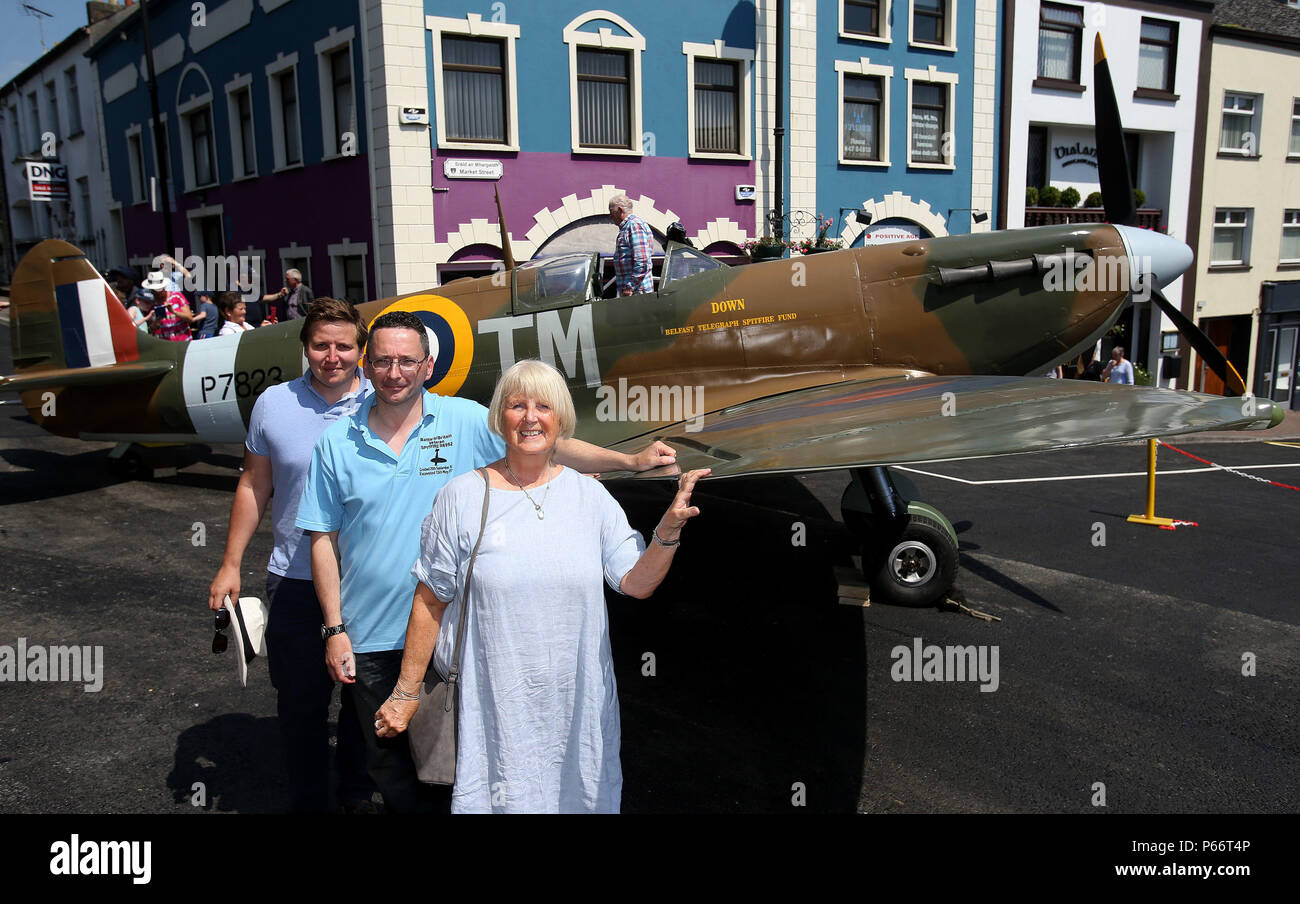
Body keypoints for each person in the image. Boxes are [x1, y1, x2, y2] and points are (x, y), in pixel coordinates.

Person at [295, 311, 677, 813]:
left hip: (450, 634)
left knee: (447, 769)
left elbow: (542, 438)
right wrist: (334, 627)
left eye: (406, 360)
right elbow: (322, 537)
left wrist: (629, 463)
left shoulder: (465, 420)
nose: (394, 371)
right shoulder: (336, 444)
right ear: (367, 366)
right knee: (389, 770)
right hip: (369, 631)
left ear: (427, 365)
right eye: (382, 360)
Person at [372, 360, 708, 813]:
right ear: (499, 417)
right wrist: (406, 691)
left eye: (543, 406)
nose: (530, 417)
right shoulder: (461, 497)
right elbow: (430, 599)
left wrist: (667, 531)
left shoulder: (591, 498)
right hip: (492, 705)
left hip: (577, 707)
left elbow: (636, 584)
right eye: (517, 405)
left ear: (561, 418)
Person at [207, 297, 377, 813]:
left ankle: (355, 794)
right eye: (321, 345)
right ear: (304, 348)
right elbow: (254, 484)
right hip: (295, 582)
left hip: (371, 583)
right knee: (301, 708)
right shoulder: (274, 404)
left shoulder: (389, 401)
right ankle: (310, 802)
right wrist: (231, 562)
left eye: (344, 346)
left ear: (360, 351)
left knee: (363, 705)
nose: (333, 356)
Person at [609, 194, 655, 296]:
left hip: (637, 292)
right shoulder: (629, 226)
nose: (610, 215)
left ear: (620, 210)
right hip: (635, 291)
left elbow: (642, 260)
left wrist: (630, 286)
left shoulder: (634, 225)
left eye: (611, 211)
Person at [145, 270, 205, 342]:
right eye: (154, 291)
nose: (157, 294)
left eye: (159, 291)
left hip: (183, 342)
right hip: (165, 345)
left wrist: (174, 312)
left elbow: (190, 318)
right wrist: (155, 324)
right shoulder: (151, 304)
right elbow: (149, 330)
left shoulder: (177, 297)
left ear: (164, 287)